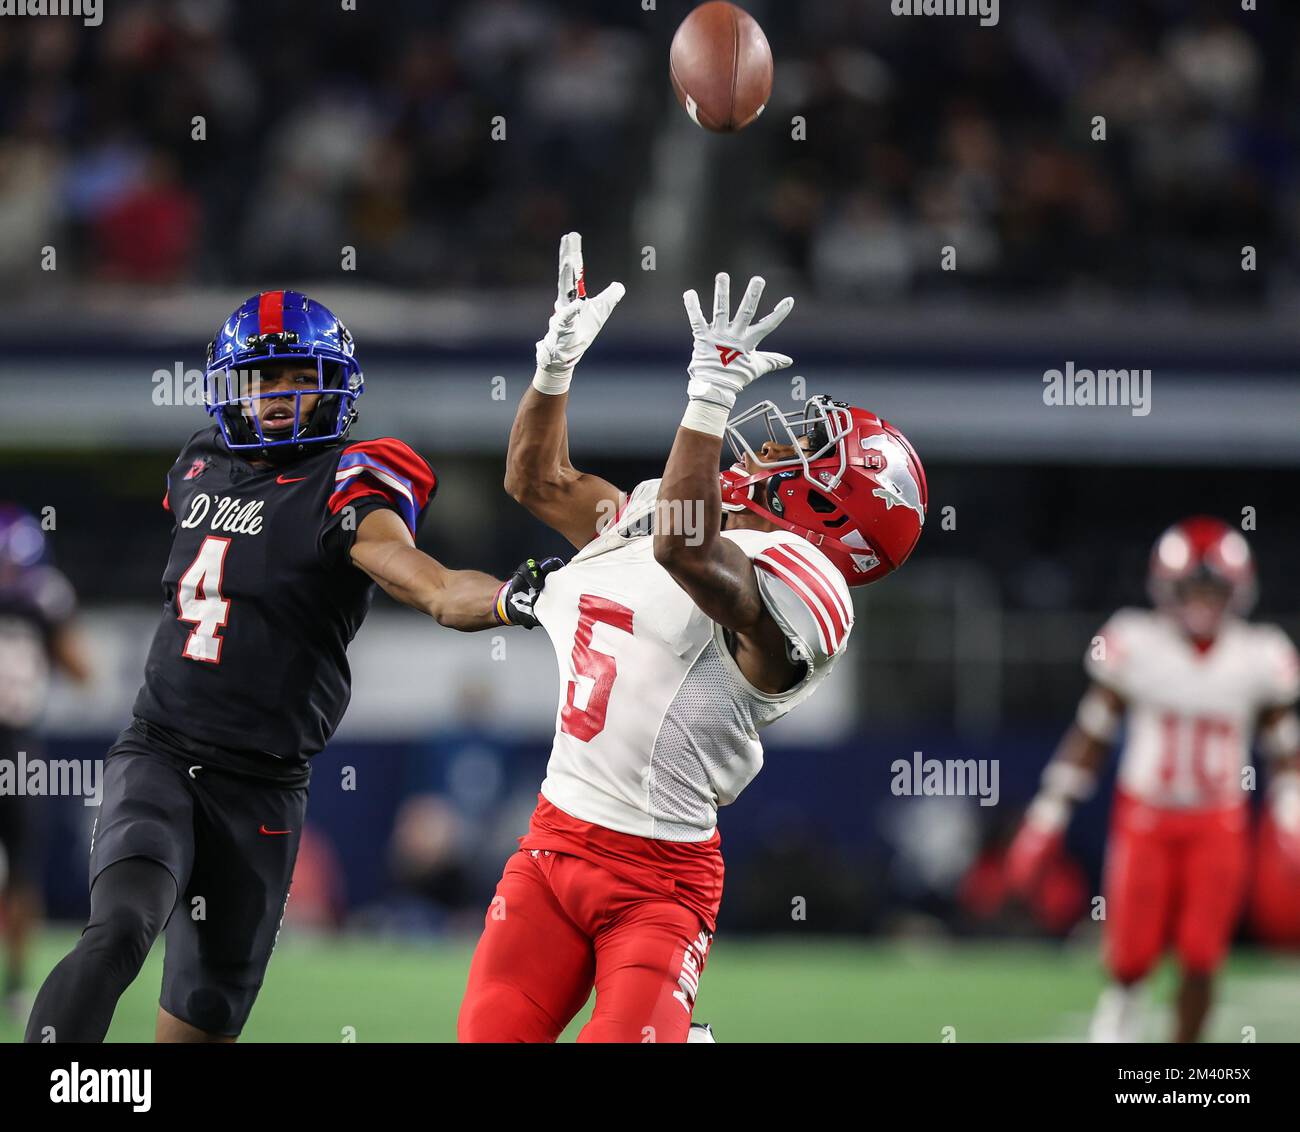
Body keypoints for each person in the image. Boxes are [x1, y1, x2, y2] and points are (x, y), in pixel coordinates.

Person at [25, 290, 556, 1043]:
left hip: (264, 787)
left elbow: (431, 586)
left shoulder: (349, 481)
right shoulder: (199, 464)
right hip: (161, 755)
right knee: (118, 931)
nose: (276, 397)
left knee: (203, 1020)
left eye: (296, 376)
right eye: (261, 379)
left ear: (334, 383)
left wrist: (511, 598)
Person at [457, 234, 927, 1042]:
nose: (775, 444)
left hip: (658, 880)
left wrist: (707, 395)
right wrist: (554, 367)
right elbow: (538, 481)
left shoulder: (802, 586)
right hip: (552, 838)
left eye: (806, 450)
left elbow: (686, 549)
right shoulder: (661, 508)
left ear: (833, 510)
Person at [1008, 517, 1300, 1042]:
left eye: (1215, 591)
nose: (1203, 603)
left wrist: (1290, 815)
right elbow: (1092, 734)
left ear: (1239, 592)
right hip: (1146, 817)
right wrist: (1047, 813)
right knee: (1131, 955)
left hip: (1219, 822)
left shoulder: (1259, 654)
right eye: (1193, 589)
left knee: (1202, 955)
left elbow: (1285, 750)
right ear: (1167, 589)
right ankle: (1120, 1014)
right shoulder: (1135, 642)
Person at [0, 505, 92, 1019]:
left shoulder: (42, 598)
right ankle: (15, 986)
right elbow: (83, 672)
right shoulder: (44, 596)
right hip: (19, 747)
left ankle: (15, 982)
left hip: (18, 743)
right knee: (21, 870)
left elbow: (82, 671)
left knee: (22, 870)